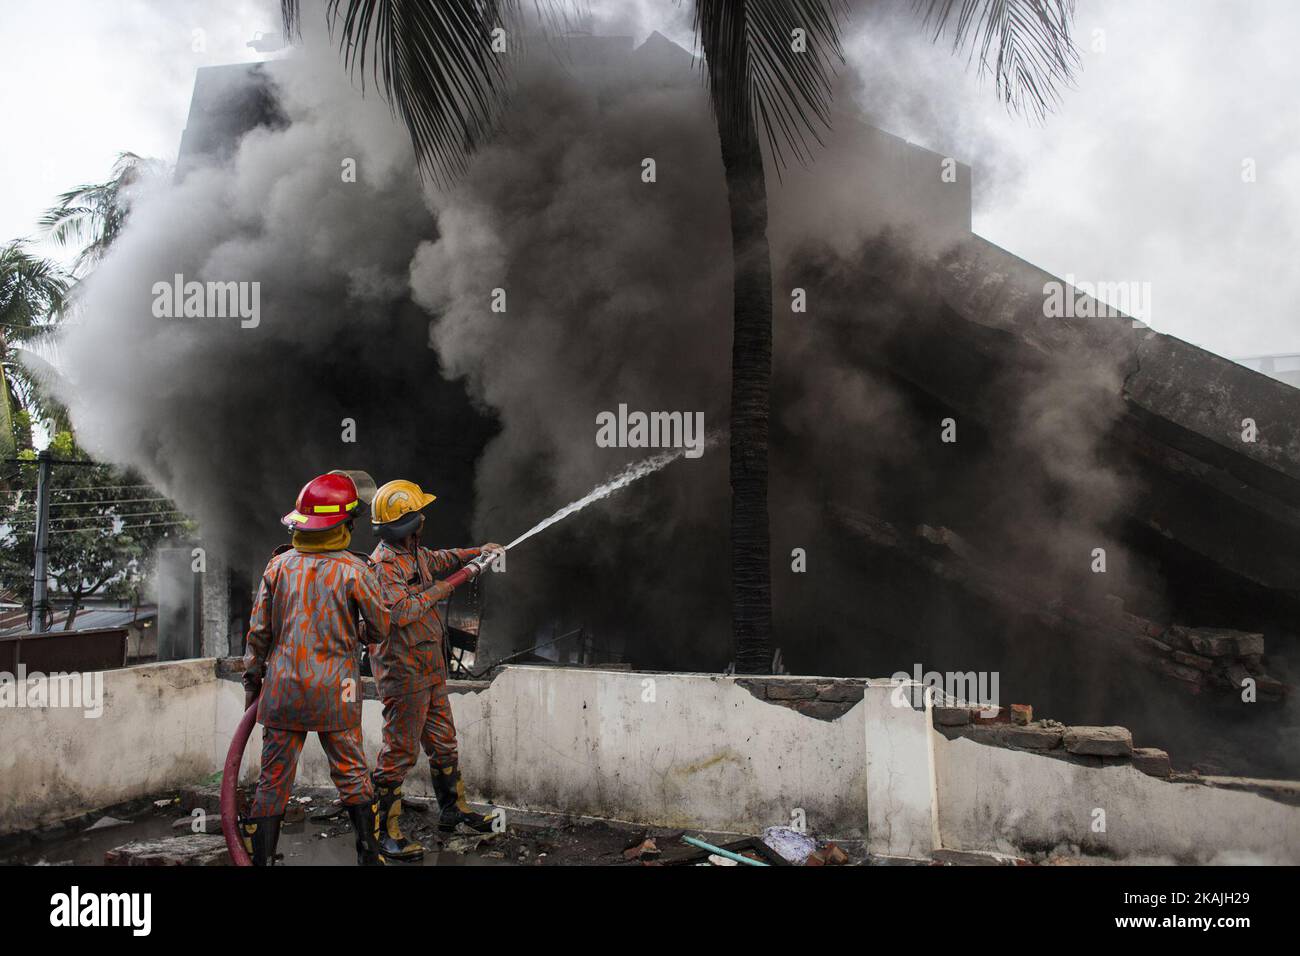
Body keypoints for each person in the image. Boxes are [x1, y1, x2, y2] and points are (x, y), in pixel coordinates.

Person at [239, 472, 391, 866]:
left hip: (282, 692)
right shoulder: (356, 571)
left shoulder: (277, 567)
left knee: (273, 780)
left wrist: (252, 680)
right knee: (353, 773)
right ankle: (368, 855)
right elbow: (380, 628)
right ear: (344, 525)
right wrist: (351, 629)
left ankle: (261, 861)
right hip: (336, 692)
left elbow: (258, 634)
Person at [366, 478, 502, 861]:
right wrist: (458, 580)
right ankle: (384, 833)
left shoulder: (413, 553)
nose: (424, 519)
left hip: (429, 670)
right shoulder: (382, 567)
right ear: (408, 523)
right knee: (399, 753)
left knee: (444, 744)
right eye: (418, 514)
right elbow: (403, 612)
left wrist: (476, 552)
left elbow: (439, 559)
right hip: (403, 675)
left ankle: (452, 810)